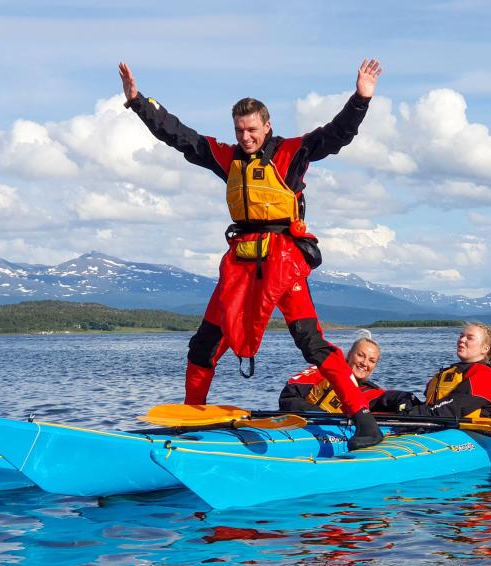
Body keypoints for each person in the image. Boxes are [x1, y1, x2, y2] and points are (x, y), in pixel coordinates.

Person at [118, 59, 386, 450]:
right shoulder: (228, 158)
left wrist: (361, 98)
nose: (245, 137)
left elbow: (337, 134)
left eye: (252, 129)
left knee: (310, 342)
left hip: (283, 260)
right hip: (241, 261)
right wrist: (138, 102)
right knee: (204, 344)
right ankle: (192, 421)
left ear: (267, 126)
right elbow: (179, 135)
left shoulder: (292, 152)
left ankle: (364, 420)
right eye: (240, 130)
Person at [279, 332, 416, 413]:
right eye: (360, 355)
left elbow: (388, 399)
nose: (364, 363)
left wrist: (407, 400)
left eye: (371, 360)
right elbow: (288, 397)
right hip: (301, 426)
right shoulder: (323, 371)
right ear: (349, 355)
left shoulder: (371, 392)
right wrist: (321, 416)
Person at [402, 323, 491, 420]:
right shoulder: (450, 372)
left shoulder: (485, 375)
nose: (462, 340)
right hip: (438, 422)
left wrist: (417, 414)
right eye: (461, 336)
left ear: (485, 349)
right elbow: (430, 403)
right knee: (400, 398)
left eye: (469, 338)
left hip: (468, 431)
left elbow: (456, 405)